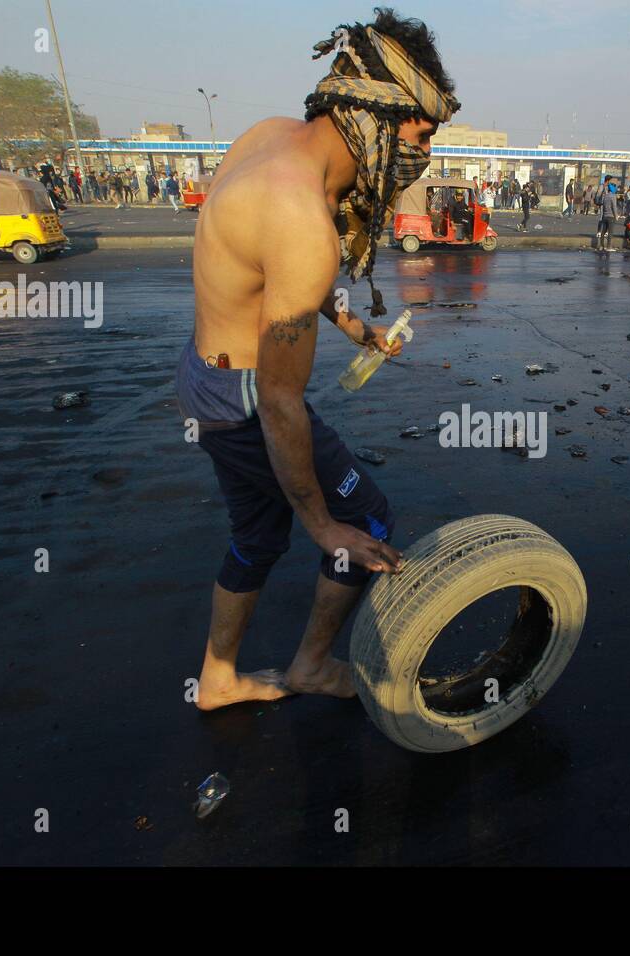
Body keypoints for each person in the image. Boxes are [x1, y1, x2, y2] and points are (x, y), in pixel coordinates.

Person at [175, 9, 454, 707]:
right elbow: (279, 399)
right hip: (246, 399)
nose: (422, 157)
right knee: (371, 526)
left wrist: (355, 327)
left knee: (256, 535)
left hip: (204, 376)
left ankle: (216, 679)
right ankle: (310, 665)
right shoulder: (301, 218)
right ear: (377, 112)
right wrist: (325, 524)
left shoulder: (268, 139)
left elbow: (273, 276)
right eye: (421, 135)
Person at [595, 175, 618, 251]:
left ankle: (603, 234)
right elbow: (598, 195)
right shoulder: (602, 186)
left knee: (604, 219)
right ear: (608, 180)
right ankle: (599, 231)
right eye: (611, 180)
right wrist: (598, 203)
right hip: (603, 204)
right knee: (602, 218)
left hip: (606, 203)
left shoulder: (608, 186)